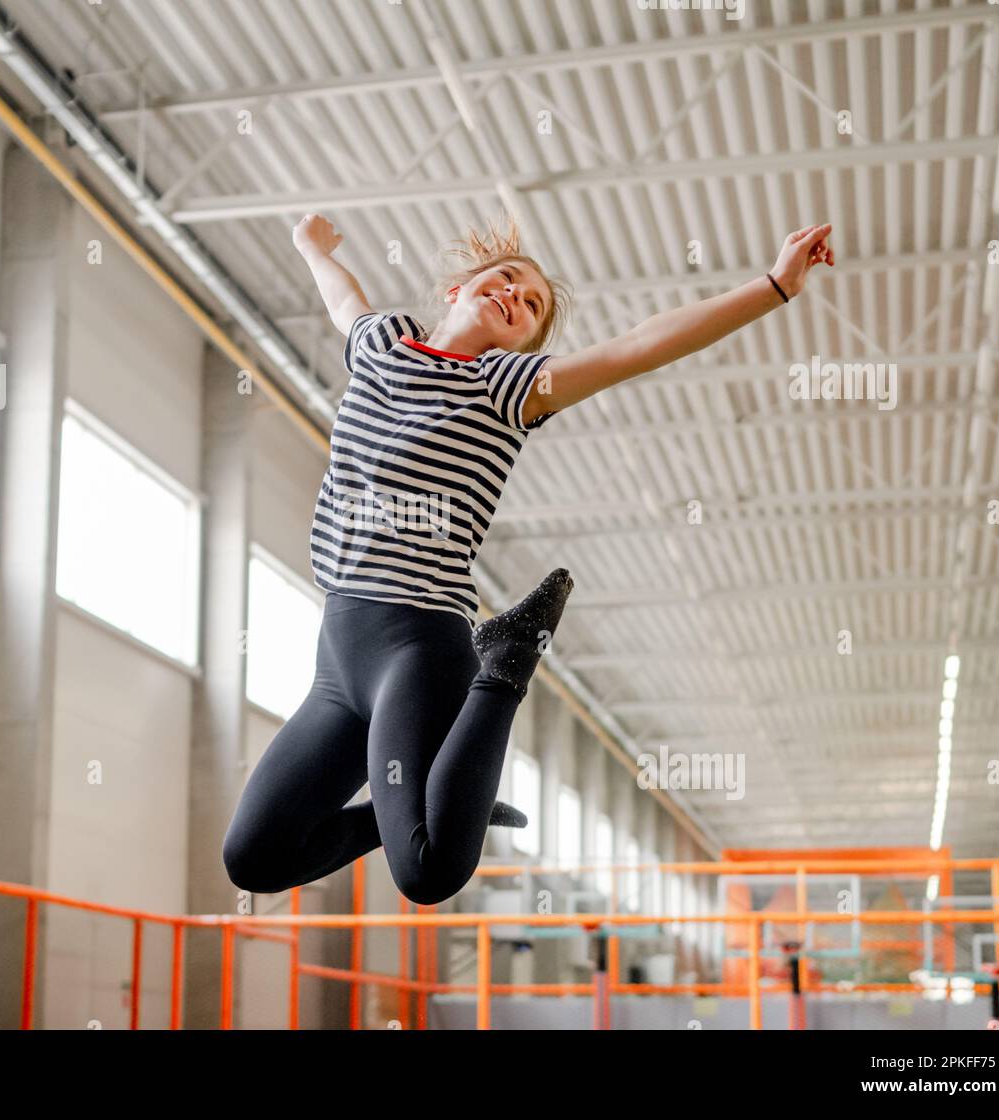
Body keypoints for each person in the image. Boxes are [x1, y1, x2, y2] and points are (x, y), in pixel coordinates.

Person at [223, 213, 833, 905]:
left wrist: (775, 286)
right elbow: (342, 297)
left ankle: (507, 659)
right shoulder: (384, 342)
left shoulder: (508, 387)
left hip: (417, 647)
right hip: (336, 662)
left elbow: (638, 347)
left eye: (531, 305)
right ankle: (440, 811)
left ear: (523, 343)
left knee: (426, 872)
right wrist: (311, 247)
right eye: (506, 279)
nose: (515, 294)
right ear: (459, 289)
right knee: (255, 858)